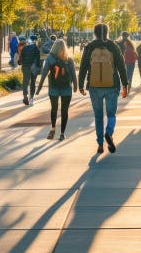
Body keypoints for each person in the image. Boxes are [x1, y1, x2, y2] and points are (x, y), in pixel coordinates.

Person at [78, 23, 128, 155]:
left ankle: (100, 144)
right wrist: (125, 85)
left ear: (95, 33)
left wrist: (80, 85)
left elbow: (83, 65)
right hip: (112, 85)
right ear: (107, 32)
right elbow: (121, 66)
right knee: (111, 114)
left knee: (98, 116)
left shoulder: (89, 46)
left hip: (94, 86)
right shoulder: (113, 46)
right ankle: (109, 133)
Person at [36, 38, 78, 141]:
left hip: (53, 88)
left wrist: (39, 87)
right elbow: (73, 74)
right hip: (66, 88)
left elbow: (44, 73)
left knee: (54, 109)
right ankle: (62, 134)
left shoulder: (49, 58)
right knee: (64, 111)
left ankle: (53, 128)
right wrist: (76, 86)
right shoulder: (69, 59)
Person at [19, 35, 40, 105]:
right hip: (33, 67)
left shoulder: (24, 48)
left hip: (25, 67)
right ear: (36, 40)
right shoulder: (36, 48)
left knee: (25, 81)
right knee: (32, 82)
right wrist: (37, 67)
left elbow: (20, 59)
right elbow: (37, 59)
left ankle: (25, 96)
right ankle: (31, 98)